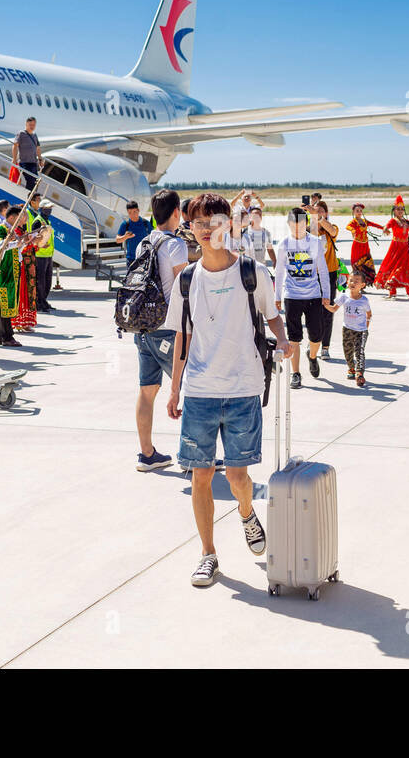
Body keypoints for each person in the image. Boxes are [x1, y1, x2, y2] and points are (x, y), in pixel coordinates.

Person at [166, 192, 291, 587]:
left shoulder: (253, 273)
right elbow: (182, 337)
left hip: (243, 389)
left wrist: (284, 340)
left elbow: (272, 315)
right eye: (199, 223)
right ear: (191, 228)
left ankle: (245, 511)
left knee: (239, 478)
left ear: (229, 224)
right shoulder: (187, 280)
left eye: (215, 221)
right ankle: (208, 554)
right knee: (199, 477)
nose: (207, 230)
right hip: (200, 391)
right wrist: (174, 390)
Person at [133, 188, 188, 471]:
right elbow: (185, 289)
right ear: (176, 212)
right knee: (189, 389)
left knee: (147, 390)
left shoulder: (145, 241)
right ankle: (193, 456)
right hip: (167, 329)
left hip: (142, 327)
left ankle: (147, 454)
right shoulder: (175, 244)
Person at [275, 207, 331, 389]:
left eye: (301, 225)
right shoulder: (284, 244)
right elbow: (280, 271)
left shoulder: (314, 242)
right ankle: (296, 374)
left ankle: (312, 356)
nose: (298, 228)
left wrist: (326, 294)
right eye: (294, 225)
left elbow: (322, 269)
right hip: (292, 295)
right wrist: (277, 296)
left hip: (313, 295)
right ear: (289, 224)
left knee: (317, 336)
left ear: (306, 223)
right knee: (294, 338)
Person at [323, 271, 372, 386]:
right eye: (351, 280)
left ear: (362, 285)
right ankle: (351, 369)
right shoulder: (344, 297)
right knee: (348, 351)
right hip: (347, 329)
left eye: (356, 281)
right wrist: (326, 305)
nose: (352, 283)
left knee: (359, 352)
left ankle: (359, 373)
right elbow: (334, 309)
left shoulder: (364, 300)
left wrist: (366, 327)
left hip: (361, 331)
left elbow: (369, 314)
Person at [375, 196, 409, 299]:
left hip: (405, 248)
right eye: (398, 209)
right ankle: (392, 292)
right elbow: (386, 226)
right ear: (394, 210)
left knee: (407, 268)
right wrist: (385, 229)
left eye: (402, 209)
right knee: (393, 267)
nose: (400, 211)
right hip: (396, 248)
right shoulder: (393, 221)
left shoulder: (406, 222)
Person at [0, 205, 27, 347]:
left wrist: (22, 243)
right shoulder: (1, 229)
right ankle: (7, 336)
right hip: (4, 272)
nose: (20, 221)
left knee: (7, 305)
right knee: (4, 305)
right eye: (18, 218)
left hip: (12, 271)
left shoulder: (12, 230)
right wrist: (13, 242)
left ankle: (3, 336)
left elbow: (16, 250)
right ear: (12, 217)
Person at [310, 200, 341, 359]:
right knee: (314, 311)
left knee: (328, 310)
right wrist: (313, 220)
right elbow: (312, 236)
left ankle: (325, 346)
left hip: (329, 273)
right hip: (312, 275)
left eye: (321, 211)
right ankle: (314, 342)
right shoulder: (309, 231)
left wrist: (319, 217)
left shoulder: (331, 229)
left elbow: (333, 232)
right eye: (315, 211)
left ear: (326, 213)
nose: (318, 213)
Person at [28, 196, 55, 313]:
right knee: (41, 280)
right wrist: (40, 244)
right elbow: (33, 237)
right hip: (40, 255)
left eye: (50, 208)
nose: (50, 210)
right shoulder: (38, 221)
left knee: (48, 281)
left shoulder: (47, 221)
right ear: (42, 209)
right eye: (48, 208)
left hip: (48, 255)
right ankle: (40, 302)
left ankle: (44, 300)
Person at [345, 202, 382, 287]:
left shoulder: (365, 221)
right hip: (357, 246)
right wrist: (353, 230)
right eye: (357, 210)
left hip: (365, 246)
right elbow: (348, 226)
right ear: (353, 212)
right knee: (357, 265)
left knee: (367, 263)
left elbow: (374, 224)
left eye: (360, 211)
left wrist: (383, 227)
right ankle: (357, 285)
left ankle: (363, 284)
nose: (359, 212)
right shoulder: (353, 222)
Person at [239, 205, 277, 272]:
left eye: (259, 215)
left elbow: (270, 249)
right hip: (247, 267)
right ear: (250, 217)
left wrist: (275, 261)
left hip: (261, 267)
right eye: (254, 216)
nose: (257, 217)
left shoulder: (266, 233)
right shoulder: (244, 232)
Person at [117, 200, 153, 265]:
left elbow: (153, 238)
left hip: (144, 258)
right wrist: (125, 237)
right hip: (131, 259)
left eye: (134, 212)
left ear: (138, 210)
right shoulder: (125, 224)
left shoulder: (146, 223)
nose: (132, 214)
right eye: (129, 212)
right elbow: (117, 240)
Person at [12, 116, 42, 192]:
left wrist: (40, 159)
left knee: (36, 182)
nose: (32, 126)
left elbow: (38, 148)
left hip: (33, 162)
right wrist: (14, 159)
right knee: (30, 180)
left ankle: (31, 197)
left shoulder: (35, 135)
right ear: (26, 124)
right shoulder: (21, 133)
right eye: (30, 124)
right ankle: (27, 196)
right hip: (24, 162)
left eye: (34, 125)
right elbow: (15, 146)